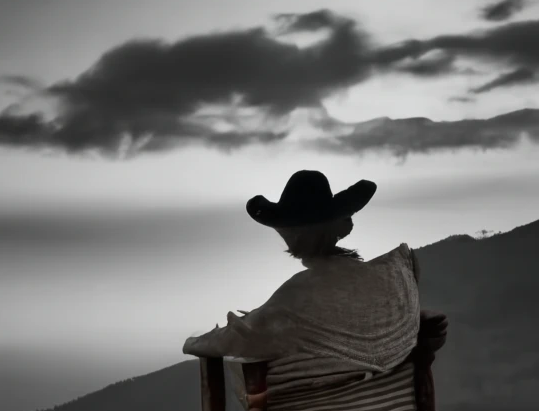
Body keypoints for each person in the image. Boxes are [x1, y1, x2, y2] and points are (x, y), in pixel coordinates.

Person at [183, 170, 446, 397]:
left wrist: (193, 342)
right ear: (339, 225)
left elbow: (233, 340)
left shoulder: (294, 298)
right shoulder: (389, 281)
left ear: (291, 234)